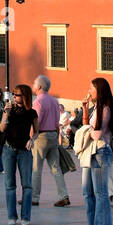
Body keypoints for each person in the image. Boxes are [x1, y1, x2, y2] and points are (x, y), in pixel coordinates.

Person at [76, 77, 113, 225]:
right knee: (87, 192)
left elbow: (97, 134)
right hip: (90, 152)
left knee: (100, 193)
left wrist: (85, 131)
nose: (89, 91)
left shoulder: (106, 109)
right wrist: (85, 110)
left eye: (91, 88)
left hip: (100, 152)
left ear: (99, 91)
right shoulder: (96, 108)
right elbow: (88, 125)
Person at [0, 84, 38, 224]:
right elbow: (2, 128)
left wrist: (32, 139)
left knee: (27, 185)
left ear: (25, 96)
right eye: (13, 94)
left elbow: (37, 131)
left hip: (25, 151)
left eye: (17, 94)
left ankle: (26, 217)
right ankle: (12, 216)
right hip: (9, 149)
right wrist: (6, 114)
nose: (14, 97)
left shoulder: (32, 113)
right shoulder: (9, 110)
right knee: (10, 184)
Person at [31, 74, 71, 208]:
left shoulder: (38, 101)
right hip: (53, 135)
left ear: (39, 86)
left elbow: (36, 121)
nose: (33, 85)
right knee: (56, 168)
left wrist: (31, 137)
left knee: (37, 168)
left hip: (41, 137)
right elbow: (56, 121)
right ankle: (63, 195)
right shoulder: (54, 101)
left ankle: (34, 197)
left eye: (34, 83)